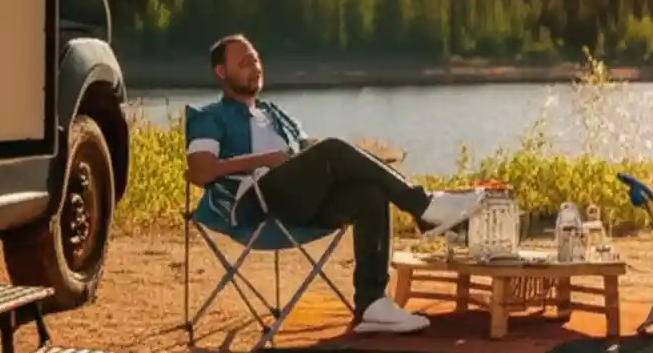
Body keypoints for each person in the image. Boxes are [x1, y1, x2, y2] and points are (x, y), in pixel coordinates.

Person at [185, 33, 485, 334]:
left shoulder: (276, 115)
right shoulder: (210, 117)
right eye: (244, 62)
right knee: (332, 149)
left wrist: (366, 159)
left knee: (368, 191)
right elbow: (200, 172)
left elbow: (308, 155)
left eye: (256, 59)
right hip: (255, 205)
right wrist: (265, 159)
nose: (255, 67)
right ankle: (425, 206)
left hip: (299, 202)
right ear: (222, 72)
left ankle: (372, 304)